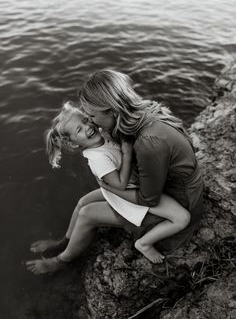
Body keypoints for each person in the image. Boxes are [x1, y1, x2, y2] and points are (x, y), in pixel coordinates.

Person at [26, 101, 191, 274]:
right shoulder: (98, 158)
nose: (87, 127)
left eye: (85, 120)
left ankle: (65, 243)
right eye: (79, 130)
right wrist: (127, 154)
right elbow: (118, 184)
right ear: (74, 143)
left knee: (83, 202)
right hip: (127, 191)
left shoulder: (102, 136)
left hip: (124, 188)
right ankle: (63, 256)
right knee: (85, 211)